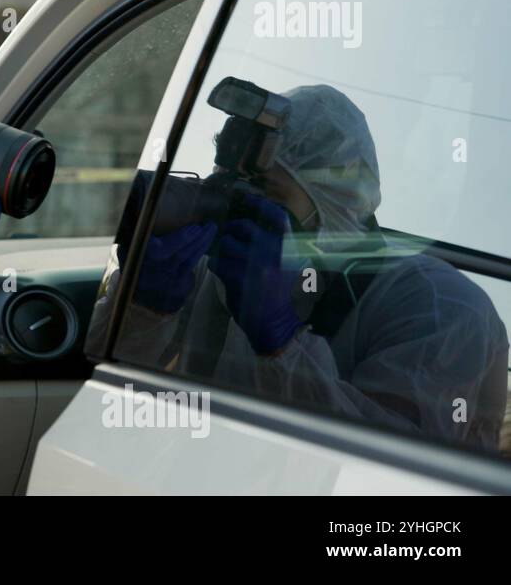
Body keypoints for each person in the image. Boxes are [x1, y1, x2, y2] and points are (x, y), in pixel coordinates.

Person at [91, 84, 508, 451]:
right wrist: (141, 308)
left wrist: (281, 341)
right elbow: (101, 408)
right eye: (227, 183)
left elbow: (397, 471)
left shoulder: (438, 305)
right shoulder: (218, 270)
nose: (238, 207)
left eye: (262, 189)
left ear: (337, 195)